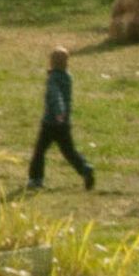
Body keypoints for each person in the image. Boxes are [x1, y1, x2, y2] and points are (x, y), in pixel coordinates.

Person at [29, 45, 97, 190]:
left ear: (52, 62)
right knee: (69, 151)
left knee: (39, 151)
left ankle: (36, 179)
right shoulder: (68, 77)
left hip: (51, 122)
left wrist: (58, 112)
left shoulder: (52, 79)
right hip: (64, 123)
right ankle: (85, 168)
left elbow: (56, 96)